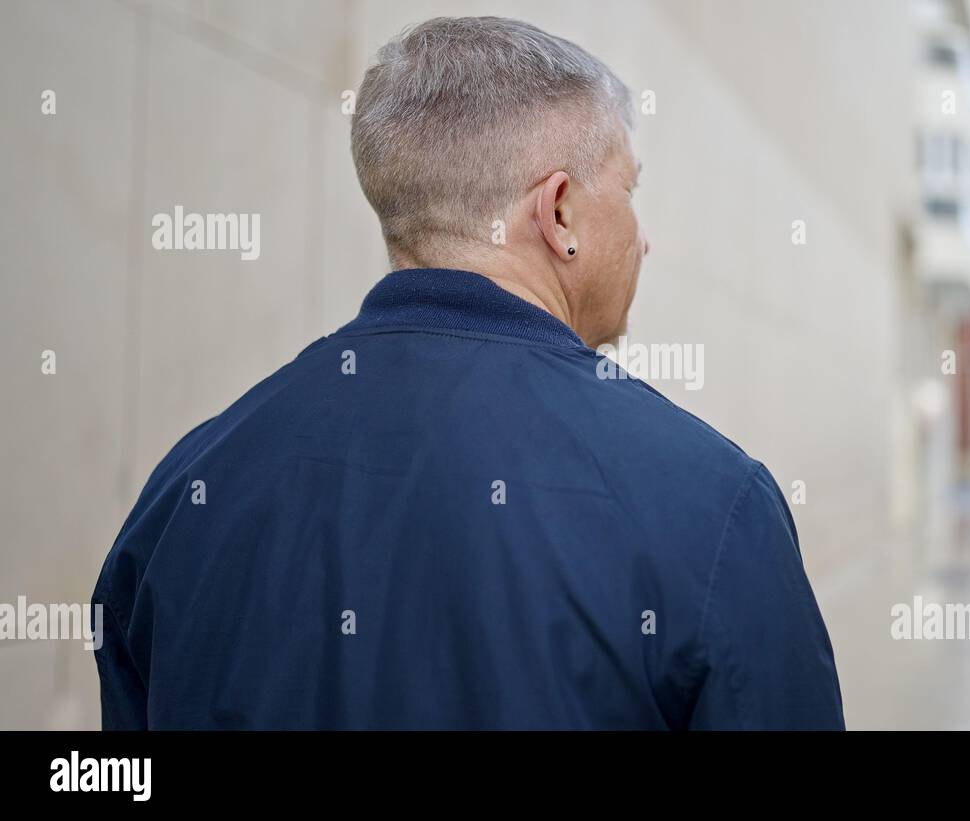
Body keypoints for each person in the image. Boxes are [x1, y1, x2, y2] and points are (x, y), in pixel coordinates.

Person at [93, 16, 844, 730]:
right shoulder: (712, 504)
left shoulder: (184, 491)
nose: (645, 240)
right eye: (629, 191)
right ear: (559, 215)